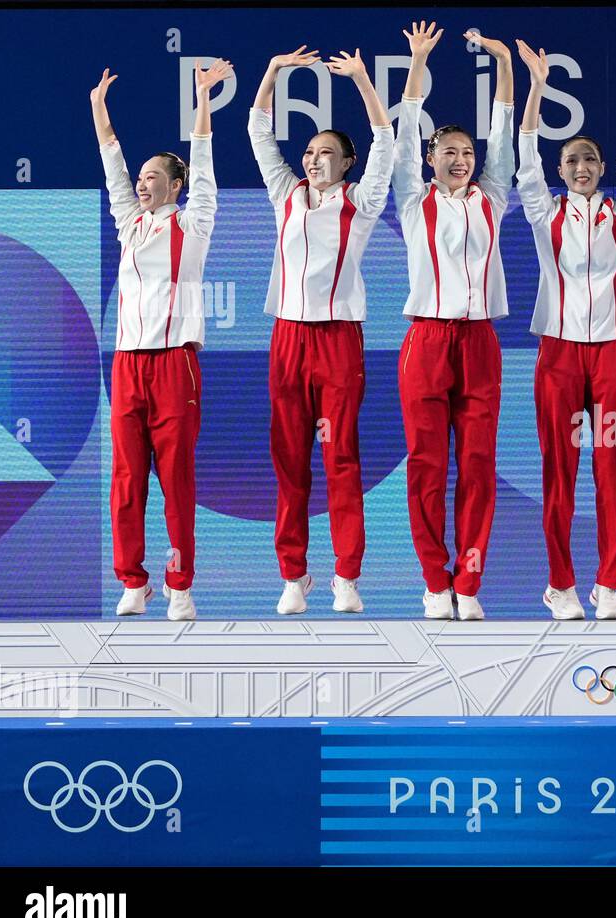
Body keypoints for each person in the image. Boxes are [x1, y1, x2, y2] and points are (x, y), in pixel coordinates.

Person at [515, 38, 616, 621]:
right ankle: (560, 585)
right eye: (572, 161)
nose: (581, 168)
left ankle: (609, 586)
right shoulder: (543, 212)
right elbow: (525, 155)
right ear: (561, 170)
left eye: (591, 161)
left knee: (612, 470)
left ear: (603, 170)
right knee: (559, 473)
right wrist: (536, 87)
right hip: (557, 352)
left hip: (615, 353)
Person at [248, 44, 394, 615]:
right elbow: (259, 131)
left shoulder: (362, 202)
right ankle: (293, 575)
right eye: (308, 152)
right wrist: (272, 70)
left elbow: (386, 142)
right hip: (288, 339)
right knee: (289, 461)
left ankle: (346, 576)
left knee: (340, 459)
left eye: (326, 153)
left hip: (338, 342)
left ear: (347, 163)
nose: (312, 160)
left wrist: (361, 80)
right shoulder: (285, 196)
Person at [93, 58, 232, 622]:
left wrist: (203, 100)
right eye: (141, 176)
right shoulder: (130, 224)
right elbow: (112, 163)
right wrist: (99, 108)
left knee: (176, 479)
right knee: (127, 481)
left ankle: (179, 585)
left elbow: (203, 165)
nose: (141, 182)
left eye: (152, 176)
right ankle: (133, 581)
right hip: (128, 366)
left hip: (176, 366)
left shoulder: (193, 224)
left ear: (175, 187)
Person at [393, 23, 514, 621]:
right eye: (449, 153)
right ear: (430, 160)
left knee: (478, 465)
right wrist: (418, 61)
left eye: (468, 153)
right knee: (427, 465)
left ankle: (468, 582)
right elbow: (404, 131)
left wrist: (503, 64)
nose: (461, 160)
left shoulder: (494, 197)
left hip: (480, 341)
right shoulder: (413, 200)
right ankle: (433, 580)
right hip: (427, 340)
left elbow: (506, 130)